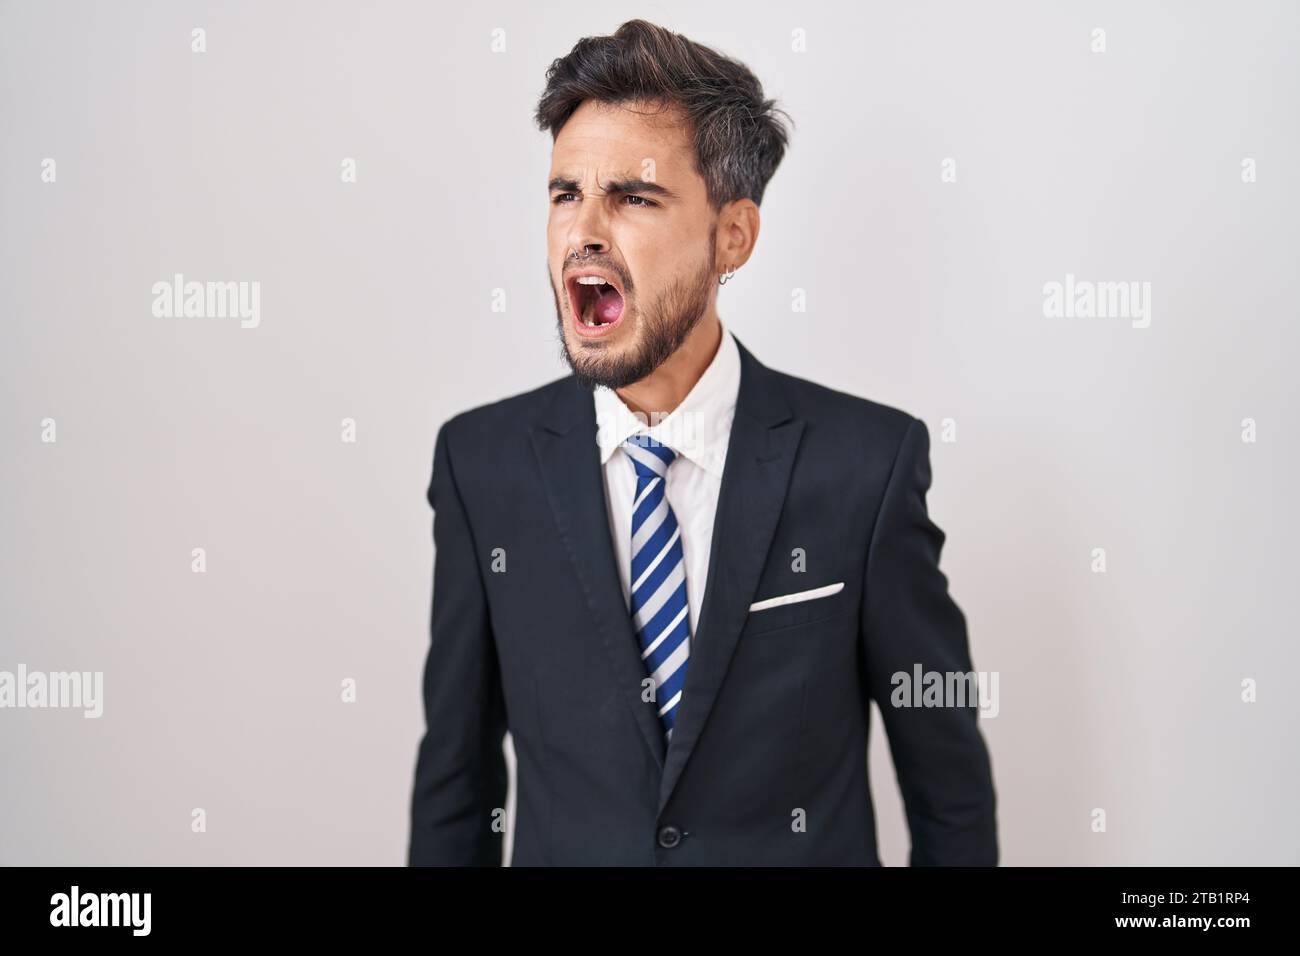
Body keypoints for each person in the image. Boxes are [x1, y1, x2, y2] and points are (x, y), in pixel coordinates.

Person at [408, 19, 997, 866]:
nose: (584, 230)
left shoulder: (866, 469)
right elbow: (455, 790)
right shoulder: (481, 467)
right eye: (565, 193)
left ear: (733, 236)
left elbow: (952, 801)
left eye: (634, 197)